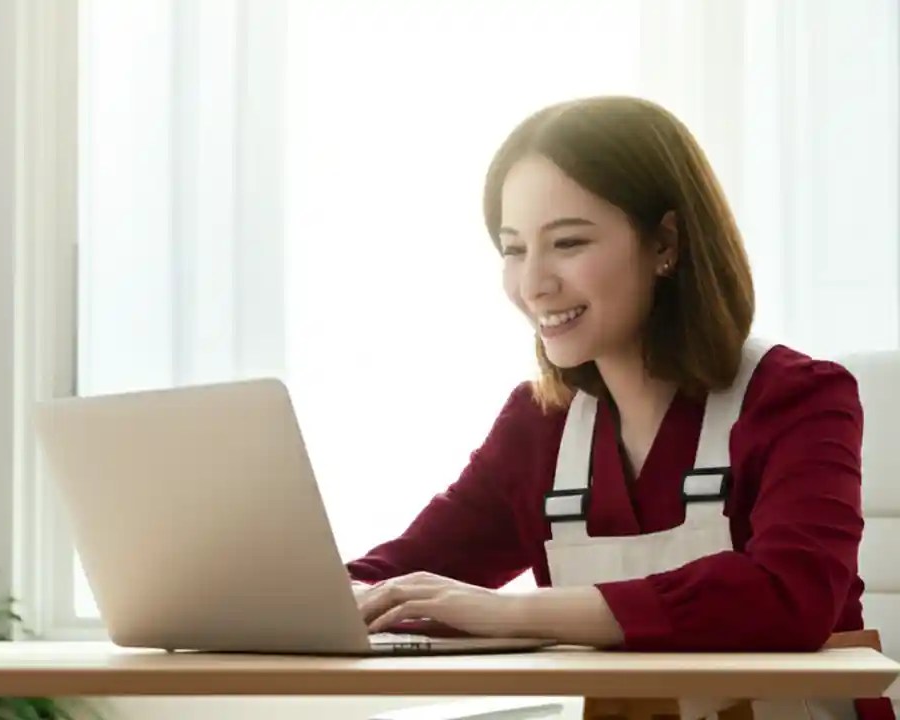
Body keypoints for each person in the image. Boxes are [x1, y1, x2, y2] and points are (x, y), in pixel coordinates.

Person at [345, 96, 894, 720]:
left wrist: (511, 612)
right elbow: (407, 573)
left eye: (568, 243)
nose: (533, 285)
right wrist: (305, 595)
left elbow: (790, 594)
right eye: (514, 249)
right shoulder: (541, 422)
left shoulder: (798, 397)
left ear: (665, 242)